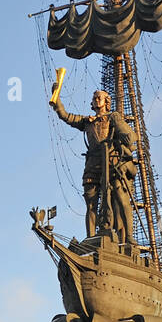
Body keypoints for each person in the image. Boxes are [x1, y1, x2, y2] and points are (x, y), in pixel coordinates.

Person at [50, 89, 135, 240]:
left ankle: (128, 238)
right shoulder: (87, 121)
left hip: (112, 163)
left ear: (106, 102)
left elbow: (130, 137)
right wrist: (56, 99)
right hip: (93, 164)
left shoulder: (113, 117)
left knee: (121, 198)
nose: (96, 100)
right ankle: (91, 238)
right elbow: (66, 116)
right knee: (91, 203)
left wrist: (126, 139)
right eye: (94, 98)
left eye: (99, 98)